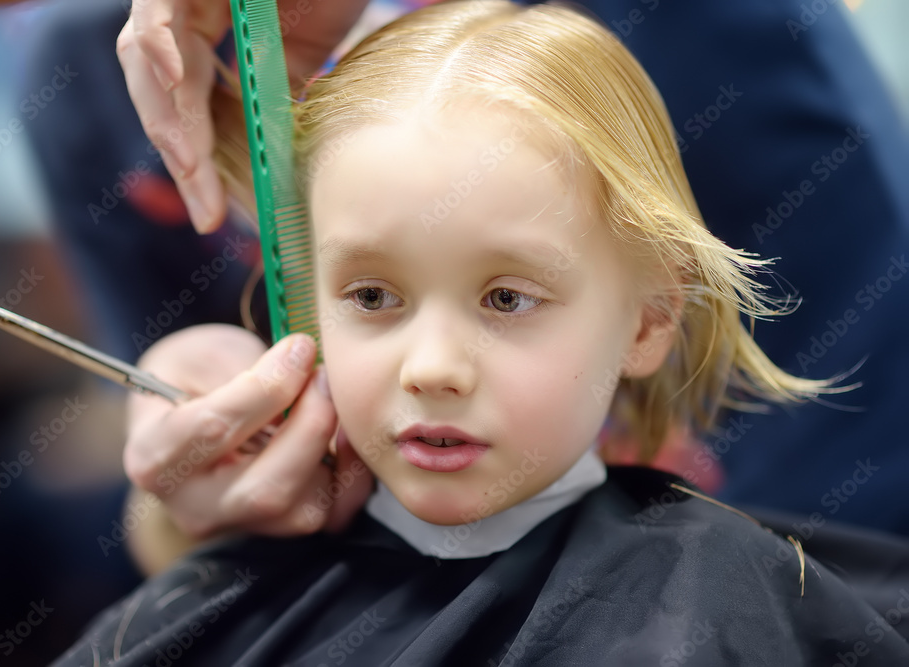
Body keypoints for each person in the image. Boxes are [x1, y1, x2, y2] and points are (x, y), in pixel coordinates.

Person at [53, 2, 909, 664]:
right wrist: (194, 492)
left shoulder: (728, 602)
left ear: (651, 316)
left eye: (505, 299)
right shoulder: (104, 71)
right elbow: (165, 523)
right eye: (373, 295)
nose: (431, 368)